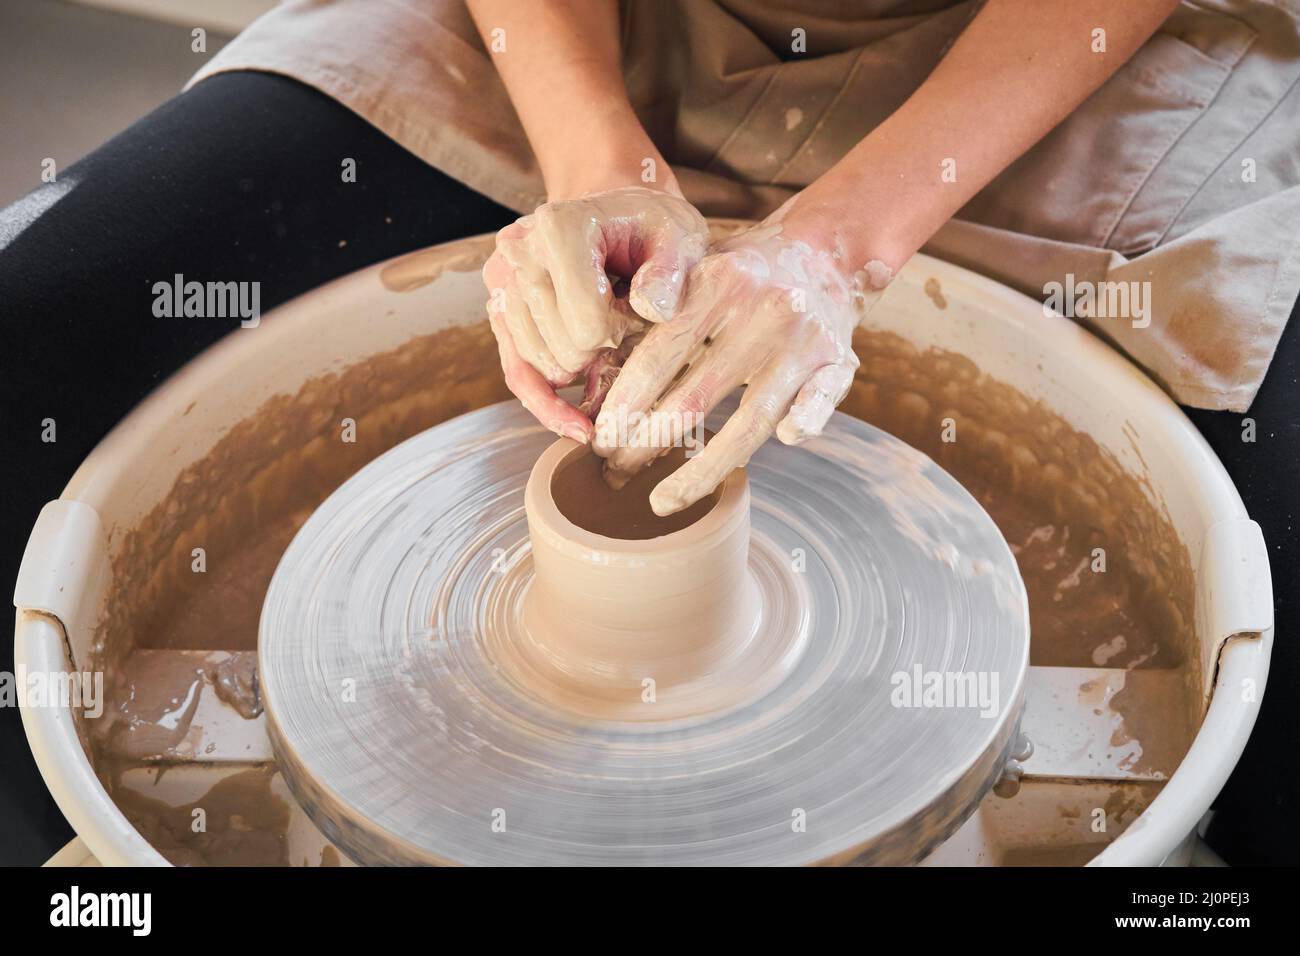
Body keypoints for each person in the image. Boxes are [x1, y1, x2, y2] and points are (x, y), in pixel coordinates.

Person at [1, 0, 1296, 863]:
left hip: (1027, 61)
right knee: (31, 348)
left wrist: (838, 249)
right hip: (578, 40)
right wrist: (594, 167)